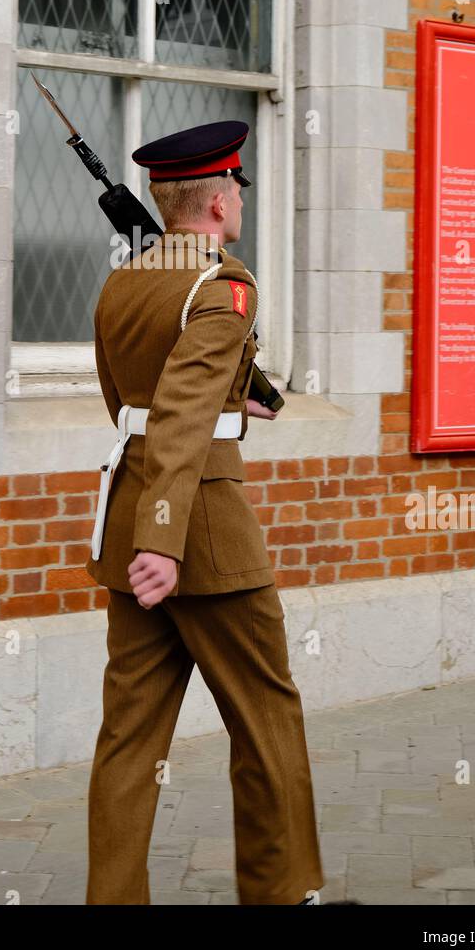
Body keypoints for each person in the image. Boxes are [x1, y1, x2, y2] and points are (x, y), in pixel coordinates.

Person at [84, 120, 326, 906]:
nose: (239, 203)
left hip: (129, 517)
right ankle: (283, 893)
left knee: (129, 739)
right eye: (239, 191)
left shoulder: (124, 281)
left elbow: (131, 405)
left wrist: (237, 399)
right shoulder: (224, 284)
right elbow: (183, 415)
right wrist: (167, 539)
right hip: (202, 532)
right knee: (265, 721)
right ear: (220, 201)